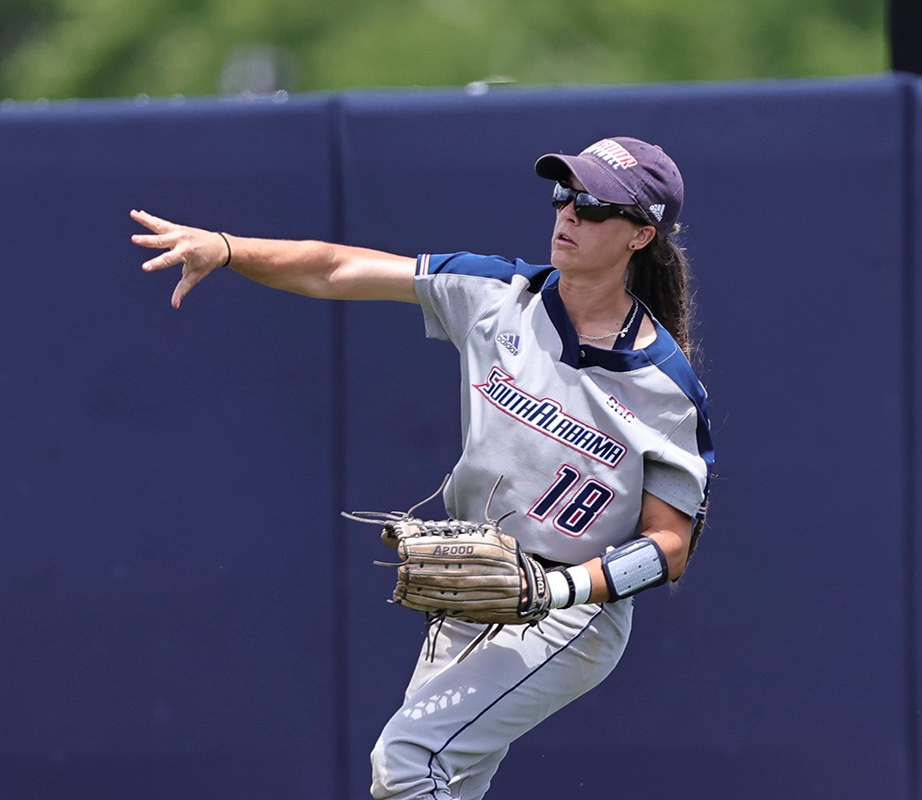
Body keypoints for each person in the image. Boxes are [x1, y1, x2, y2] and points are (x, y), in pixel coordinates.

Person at [131, 136, 713, 800]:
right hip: (477, 582)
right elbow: (335, 268)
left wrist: (560, 591)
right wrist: (230, 249)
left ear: (641, 234)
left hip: (573, 612)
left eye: (592, 203)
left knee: (407, 761)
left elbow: (670, 546)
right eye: (563, 192)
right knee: (439, 781)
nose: (569, 213)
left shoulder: (665, 386)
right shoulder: (499, 295)